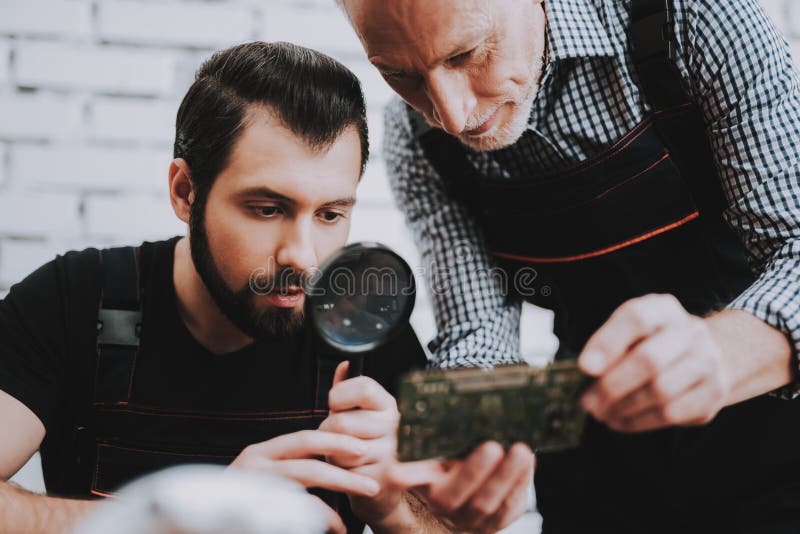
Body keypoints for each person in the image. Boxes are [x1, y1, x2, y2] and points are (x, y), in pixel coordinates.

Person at [0, 41, 531, 534]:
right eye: (267, 209)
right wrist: (185, 517)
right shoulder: (73, 301)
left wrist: (392, 505)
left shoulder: (365, 324)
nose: (302, 257)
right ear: (186, 192)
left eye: (329, 214)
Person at [337, 0, 800, 531]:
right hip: (598, 457)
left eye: (466, 53)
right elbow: (478, 330)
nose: (451, 114)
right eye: (401, 76)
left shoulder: (695, 20)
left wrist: (721, 352)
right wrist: (471, 440)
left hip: (776, 444)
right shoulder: (417, 138)